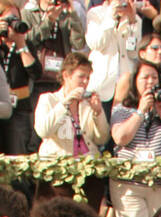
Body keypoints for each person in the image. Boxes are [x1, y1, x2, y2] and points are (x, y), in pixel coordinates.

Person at [109, 59, 161, 217]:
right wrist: (140, 111)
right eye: (145, 77)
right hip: (130, 184)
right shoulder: (121, 110)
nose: (150, 81)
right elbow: (120, 138)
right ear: (134, 82)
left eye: (154, 77)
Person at [34, 51, 110, 159]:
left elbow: (102, 139)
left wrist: (98, 113)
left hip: (88, 162)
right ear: (66, 76)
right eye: (81, 76)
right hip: (58, 162)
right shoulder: (48, 99)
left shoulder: (88, 104)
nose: (85, 81)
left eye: (88, 77)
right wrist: (65, 103)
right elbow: (43, 131)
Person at [20, 0, 85, 111]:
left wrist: (72, 13)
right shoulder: (28, 13)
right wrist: (49, 20)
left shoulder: (66, 14)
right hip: (38, 80)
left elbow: (79, 44)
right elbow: (28, 40)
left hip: (60, 80)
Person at [86, 0, 143, 119]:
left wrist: (132, 22)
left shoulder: (135, 18)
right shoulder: (96, 13)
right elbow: (97, 43)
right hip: (102, 84)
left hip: (125, 84)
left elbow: (133, 53)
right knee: (103, 131)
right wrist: (111, 16)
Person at [0, 4, 41, 155]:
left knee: (18, 155)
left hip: (19, 108)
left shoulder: (26, 45)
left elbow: (36, 73)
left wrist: (21, 45)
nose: (12, 24)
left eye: (15, 19)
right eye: (8, 20)